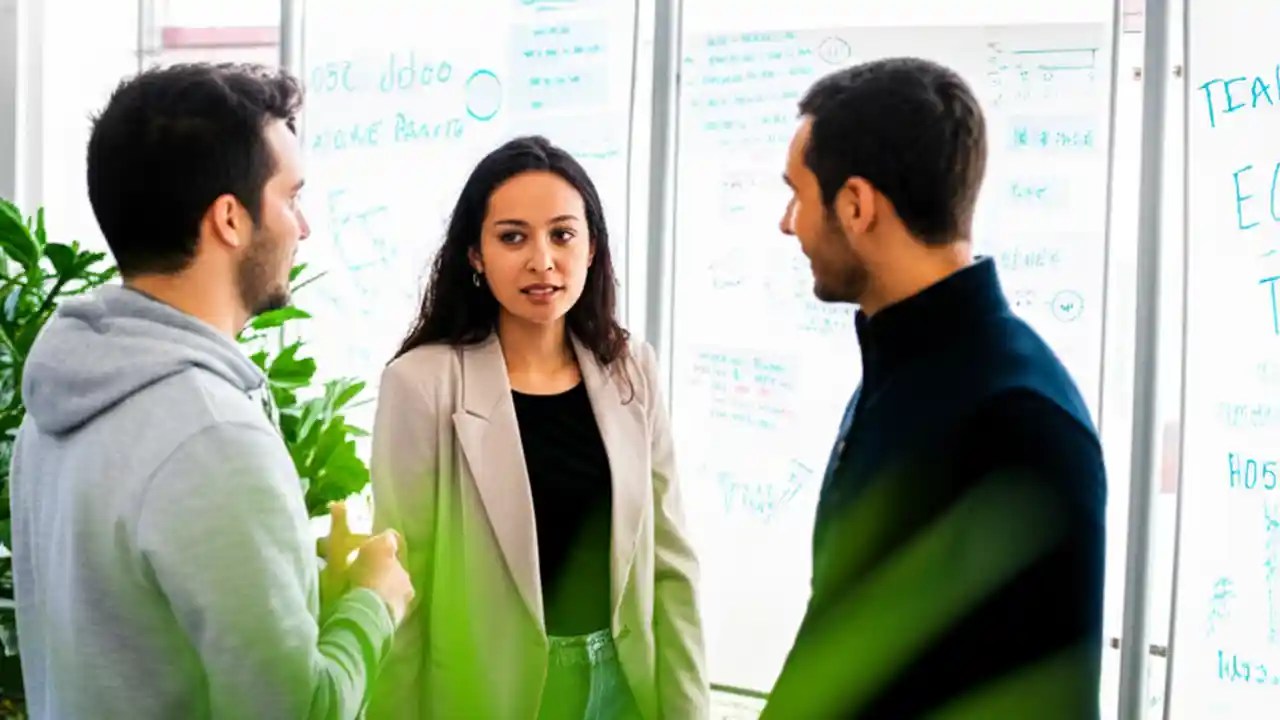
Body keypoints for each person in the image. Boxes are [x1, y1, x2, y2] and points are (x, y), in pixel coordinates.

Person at [8, 63, 414, 719]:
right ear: (229, 218)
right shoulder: (211, 435)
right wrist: (376, 600)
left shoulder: (58, 401)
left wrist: (303, 589)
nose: (302, 228)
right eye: (291, 197)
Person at [761, 57, 1107, 718]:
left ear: (857, 206)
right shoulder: (904, 365)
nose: (788, 223)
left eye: (798, 195)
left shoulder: (1018, 418)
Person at [366, 135, 708, 719]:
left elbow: (671, 565)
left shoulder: (632, 369)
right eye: (512, 237)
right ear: (475, 254)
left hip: (626, 686)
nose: (542, 260)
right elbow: (404, 592)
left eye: (563, 234)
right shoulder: (421, 383)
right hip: (490, 695)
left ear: (592, 248)